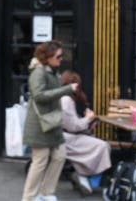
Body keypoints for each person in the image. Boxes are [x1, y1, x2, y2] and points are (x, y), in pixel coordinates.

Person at [22, 41, 78, 201]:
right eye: (58, 56)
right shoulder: (38, 73)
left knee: (60, 156)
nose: (61, 59)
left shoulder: (53, 71)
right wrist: (67, 89)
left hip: (52, 122)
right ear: (47, 57)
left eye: (62, 56)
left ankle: (46, 193)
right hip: (40, 124)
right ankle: (28, 197)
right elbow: (39, 96)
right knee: (40, 161)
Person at [59, 70, 111, 195]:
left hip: (68, 136)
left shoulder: (66, 98)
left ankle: (85, 177)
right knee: (103, 146)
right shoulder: (66, 100)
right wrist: (88, 118)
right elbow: (72, 126)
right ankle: (85, 178)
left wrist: (88, 126)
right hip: (66, 139)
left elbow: (73, 124)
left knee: (103, 145)